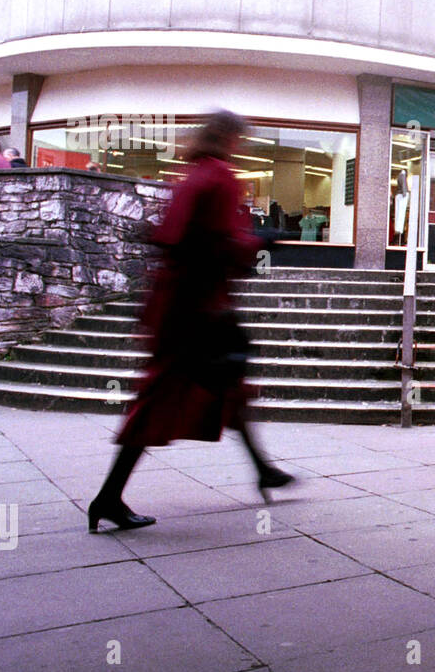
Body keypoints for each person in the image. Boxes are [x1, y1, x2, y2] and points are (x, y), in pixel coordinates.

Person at [88, 111, 294, 533]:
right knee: (163, 396)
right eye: (240, 138)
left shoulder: (194, 174)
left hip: (180, 304)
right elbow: (218, 244)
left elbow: (176, 237)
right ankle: (108, 497)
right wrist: (263, 241)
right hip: (195, 309)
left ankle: (264, 469)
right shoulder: (219, 177)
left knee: (228, 388)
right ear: (230, 138)